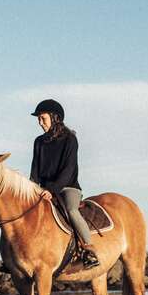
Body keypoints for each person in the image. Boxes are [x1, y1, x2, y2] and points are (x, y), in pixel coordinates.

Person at [29, 99, 100, 269]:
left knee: (72, 211)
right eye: (38, 119)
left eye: (43, 118)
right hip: (44, 190)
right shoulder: (39, 142)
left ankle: (89, 250)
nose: (40, 122)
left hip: (67, 188)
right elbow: (34, 171)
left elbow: (68, 171)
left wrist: (51, 190)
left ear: (55, 118)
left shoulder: (69, 139)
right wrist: (32, 190)